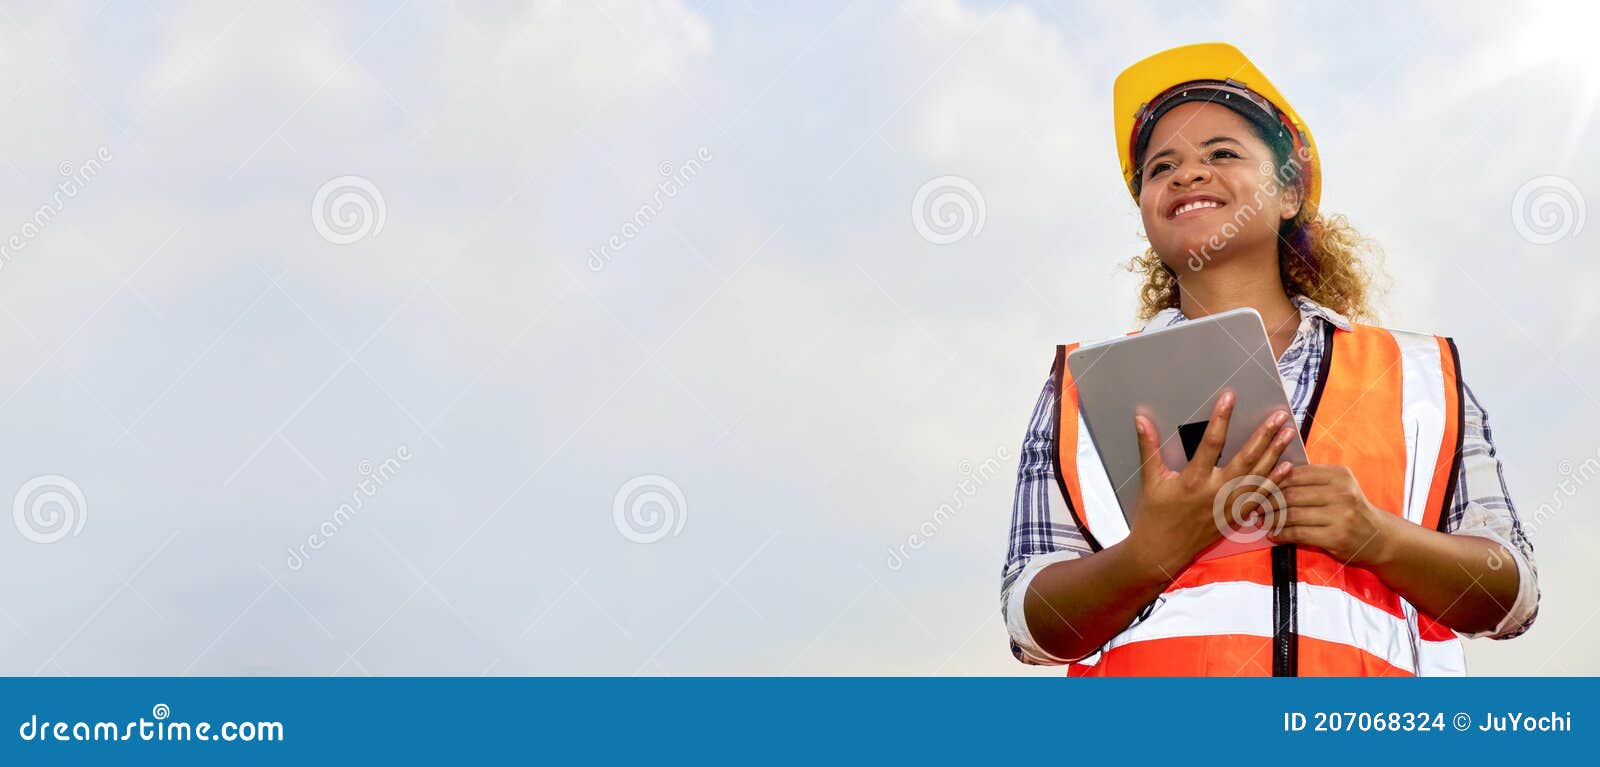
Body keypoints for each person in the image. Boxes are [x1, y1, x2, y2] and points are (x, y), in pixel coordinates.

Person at [1000, 43, 1539, 676]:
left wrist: (1377, 536)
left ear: (1288, 192)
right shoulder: (1080, 388)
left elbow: (1511, 600)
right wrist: (1149, 554)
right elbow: (1033, 628)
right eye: (1160, 167)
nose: (1187, 174)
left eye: (1221, 154)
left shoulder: (1418, 375)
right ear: (1145, 211)